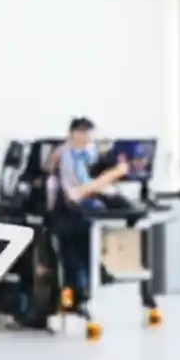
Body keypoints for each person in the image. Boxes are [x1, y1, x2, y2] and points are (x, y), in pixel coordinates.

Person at [51, 117, 128, 313]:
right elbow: (78, 192)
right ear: (73, 134)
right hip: (69, 213)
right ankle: (78, 299)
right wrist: (114, 174)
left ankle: (88, 289)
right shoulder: (67, 156)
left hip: (83, 208)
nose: (88, 140)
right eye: (84, 134)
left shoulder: (83, 152)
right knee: (76, 262)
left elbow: (93, 165)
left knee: (87, 255)